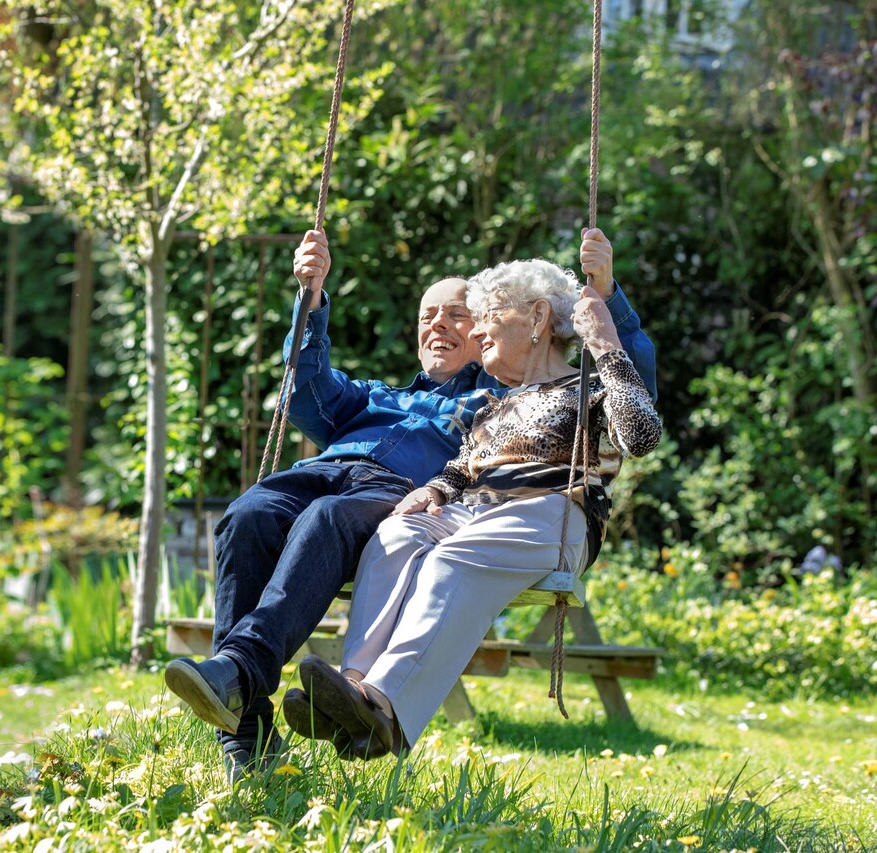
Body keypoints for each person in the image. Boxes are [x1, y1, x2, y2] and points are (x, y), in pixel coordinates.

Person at [164, 228, 657, 784]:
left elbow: (632, 394)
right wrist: (310, 298)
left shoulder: (493, 395)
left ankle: (365, 704)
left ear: (529, 322)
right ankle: (273, 711)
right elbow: (307, 394)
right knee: (249, 514)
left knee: (340, 523)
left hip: (425, 499)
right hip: (346, 478)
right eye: (429, 315)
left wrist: (607, 304)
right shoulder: (383, 398)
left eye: (464, 315)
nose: (444, 324)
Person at [283, 257, 663, 759]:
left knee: (450, 559)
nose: (478, 328)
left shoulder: (589, 388)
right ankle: (351, 687)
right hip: (478, 513)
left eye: (490, 314)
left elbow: (641, 435)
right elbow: (466, 465)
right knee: (397, 534)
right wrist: (435, 490)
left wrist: (607, 343)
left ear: (538, 317)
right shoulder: (493, 404)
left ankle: (384, 708)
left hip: (553, 510)